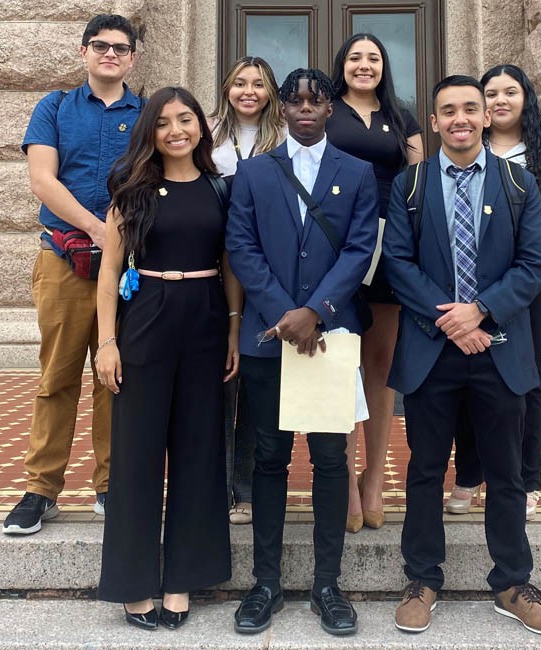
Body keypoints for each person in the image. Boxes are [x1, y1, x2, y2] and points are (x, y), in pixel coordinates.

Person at [384, 75, 541, 637]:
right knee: (426, 468)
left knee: (507, 473)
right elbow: (398, 262)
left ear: (485, 117)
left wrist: (480, 311)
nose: (461, 118)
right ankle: (421, 579)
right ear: (434, 123)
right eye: (447, 111)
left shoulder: (518, 183)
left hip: (499, 347)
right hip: (433, 349)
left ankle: (513, 583)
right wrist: (453, 319)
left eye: (471, 107)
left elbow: (534, 263)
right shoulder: (410, 184)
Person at [226, 68, 378, 637]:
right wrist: (282, 314)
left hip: (329, 338)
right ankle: (265, 583)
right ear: (282, 108)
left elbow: (361, 247)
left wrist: (315, 312)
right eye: (296, 101)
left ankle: (327, 585)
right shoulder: (254, 172)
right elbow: (240, 245)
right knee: (268, 459)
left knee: (331, 459)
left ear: (330, 108)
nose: (306, 109)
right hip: (271, 340)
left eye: (317, 101)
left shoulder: (357, 173)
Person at [95, 86, 242, 630]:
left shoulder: (220, 189)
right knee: (136, 452)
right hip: (148, 316)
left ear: (202, 127)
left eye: (186, 119)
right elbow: (109, 273)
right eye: (163, 123)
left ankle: (183, 576)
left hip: (205, 317)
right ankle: (134, 583)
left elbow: (230, 267)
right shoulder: (132, 190)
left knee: (199, 449)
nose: (176, 130)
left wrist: (232, 330)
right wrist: (107, 342)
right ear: (150, 133)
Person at [3, 14, 142, 535]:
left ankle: (111, 485)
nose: (110, 55)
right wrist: (98, 229)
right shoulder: (54, 107)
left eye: (120, 48)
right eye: (100, 46)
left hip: (129, 272)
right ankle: (41, 490)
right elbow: (42, 179)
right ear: (84, 51)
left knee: (117, 378)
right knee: (56, 378)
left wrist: (121, 241)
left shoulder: (148, 113)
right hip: (64, 261)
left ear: (132, 58)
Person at [446, 64, 541, 520]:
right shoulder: (469, 146)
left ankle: (527, 478)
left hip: (535, 275)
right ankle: (470, 475)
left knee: (527, 372)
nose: (500, 101)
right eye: (491, 93)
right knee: (473, 370)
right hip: (477, 274)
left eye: (511, 92)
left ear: (526, 98)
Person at [326, 33, 424, 533]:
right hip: (337, 246)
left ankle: (374, 477)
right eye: (355, 58)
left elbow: (419, 178)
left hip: (390, 245)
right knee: (342, 358)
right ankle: (343, 478)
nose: (364, 66)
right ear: (341, 65)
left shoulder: (401, 117)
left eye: (374, 58)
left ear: (384, 67)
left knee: (381, 362)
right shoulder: (325, 110)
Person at [209, 56, 286, 525]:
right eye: (240, 83)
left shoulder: (283, 138)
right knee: (218, 385)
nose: (249, 91)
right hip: (209, 267)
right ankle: (215, 487)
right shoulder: (207, 134)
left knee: (256, 391)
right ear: (227, 88)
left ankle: (246, 486)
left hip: (262, 273)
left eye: (258, 84)